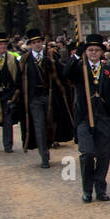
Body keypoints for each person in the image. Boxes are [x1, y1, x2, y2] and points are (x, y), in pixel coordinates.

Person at [60, 34, 110, 203]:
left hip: (105, 118)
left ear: (101, 52)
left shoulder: (109, 69)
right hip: (85, 118)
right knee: (87, 153)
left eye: (97, 50)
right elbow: (66, 73)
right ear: (86, 52)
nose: (93, 53)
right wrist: (76, 55)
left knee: (103, 155)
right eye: (90, 50)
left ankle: (100, 188)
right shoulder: (79, 68)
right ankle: (87, 189)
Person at [19, 29, 74, 169]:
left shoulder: (51, 55)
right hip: (34, 98)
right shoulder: (24, 59)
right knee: (39, 126)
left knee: (52, 124)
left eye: (39, 42)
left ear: (43, 42)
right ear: (30, 44)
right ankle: (44, 156)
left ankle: (49, 143)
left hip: (49, 97)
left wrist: (52, 66)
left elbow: (63, 73)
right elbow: (19, 80)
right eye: (34, 43)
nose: (37, 45)